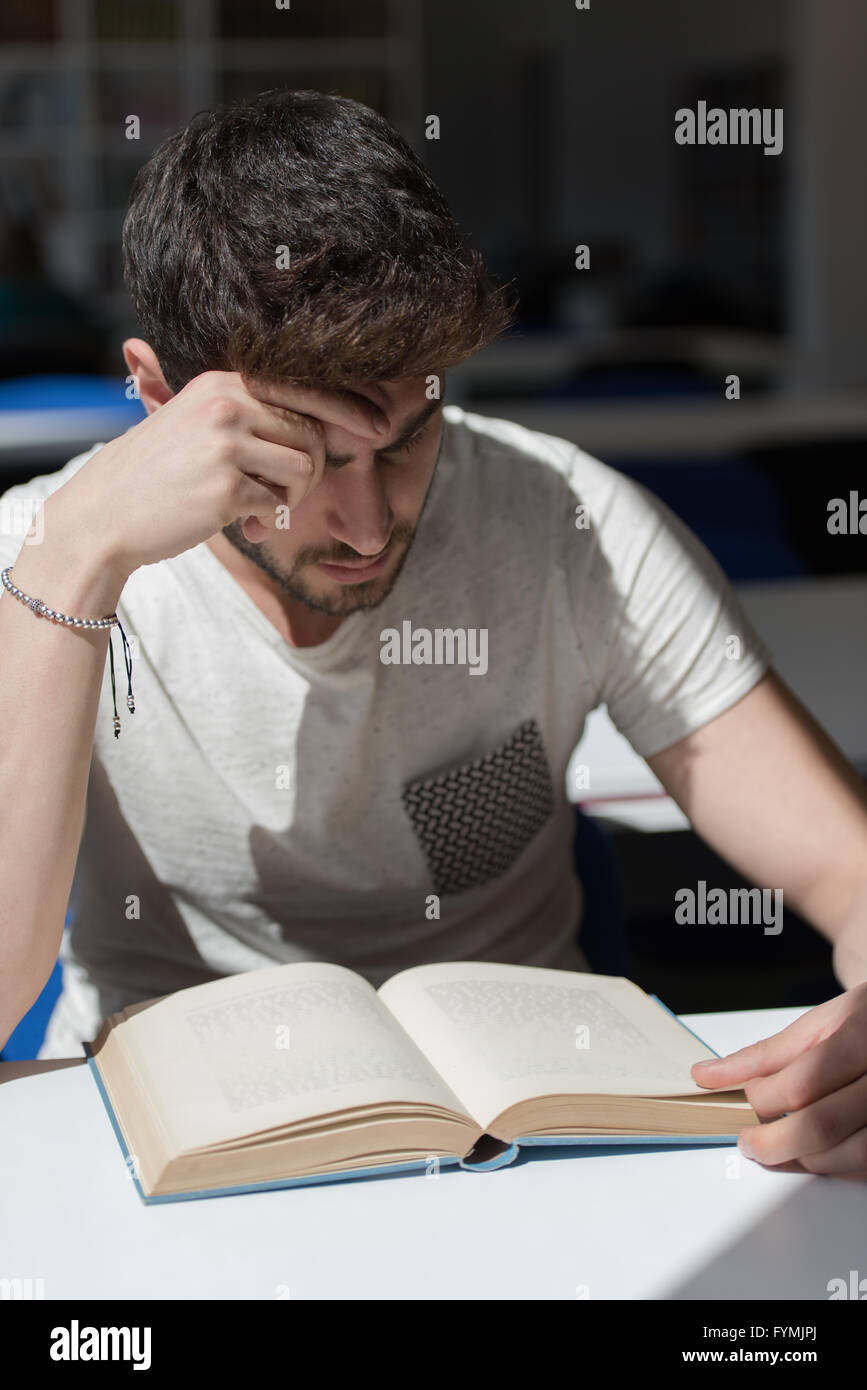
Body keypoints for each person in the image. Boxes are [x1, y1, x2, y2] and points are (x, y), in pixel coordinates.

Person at [1, 90, 866, 1179]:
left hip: (539, 1143)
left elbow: (848, 866)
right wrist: (75, 556)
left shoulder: (571, 523)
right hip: (182, 1150)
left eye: (408, 444)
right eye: (300, 455)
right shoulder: (42, 556)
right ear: (159, 394)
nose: (366, 527)